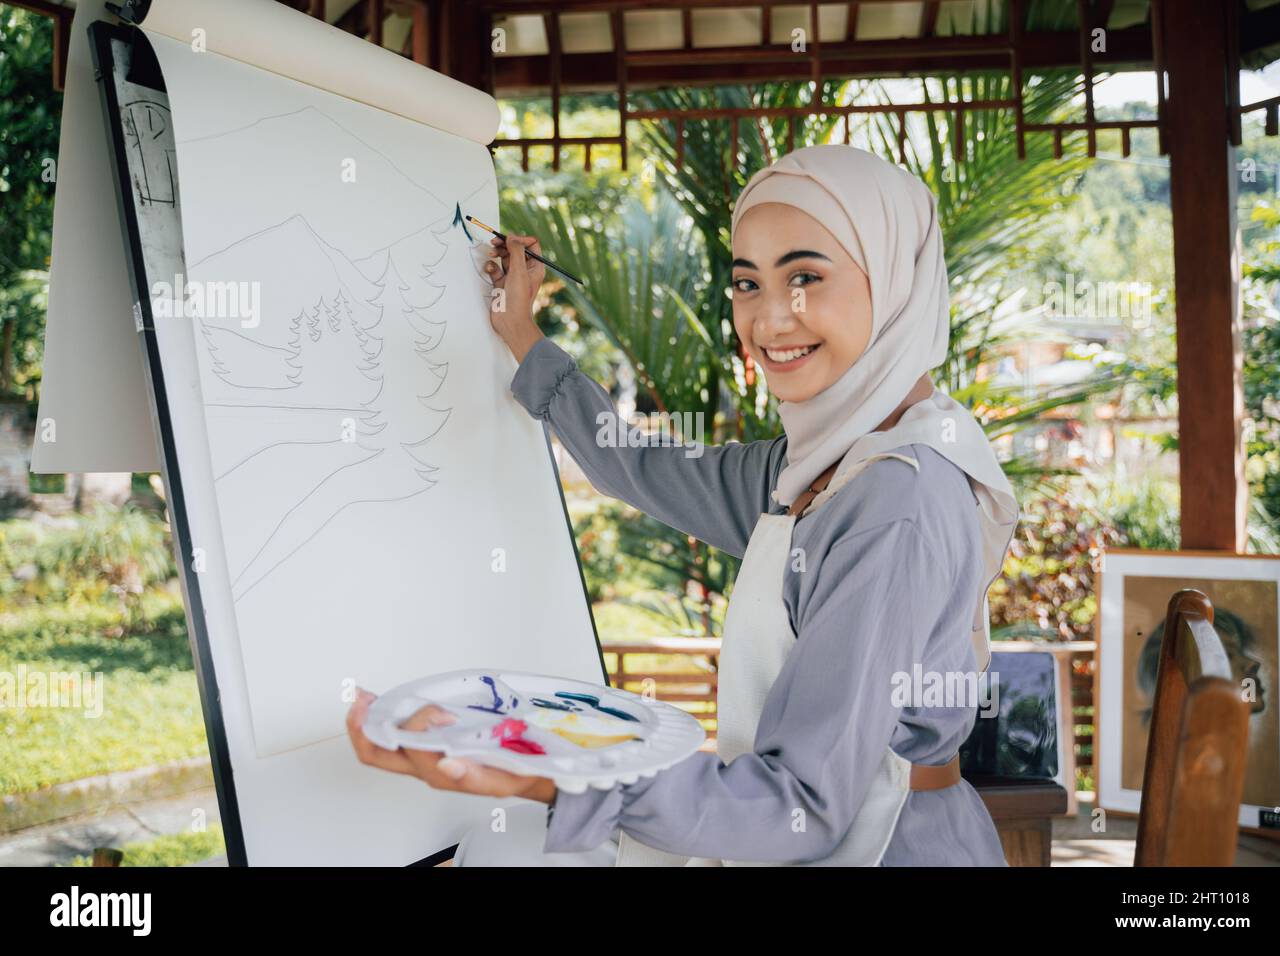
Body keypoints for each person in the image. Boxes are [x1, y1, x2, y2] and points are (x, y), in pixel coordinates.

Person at [346, 143, 1020, 866]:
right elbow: (636, 464)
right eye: (747, 283)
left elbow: (804, 802)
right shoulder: (820, 469)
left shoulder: (897, 499)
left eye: (804, 277)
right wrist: (520, 330)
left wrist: (557, 777)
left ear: (894, 283)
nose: (768, 321)